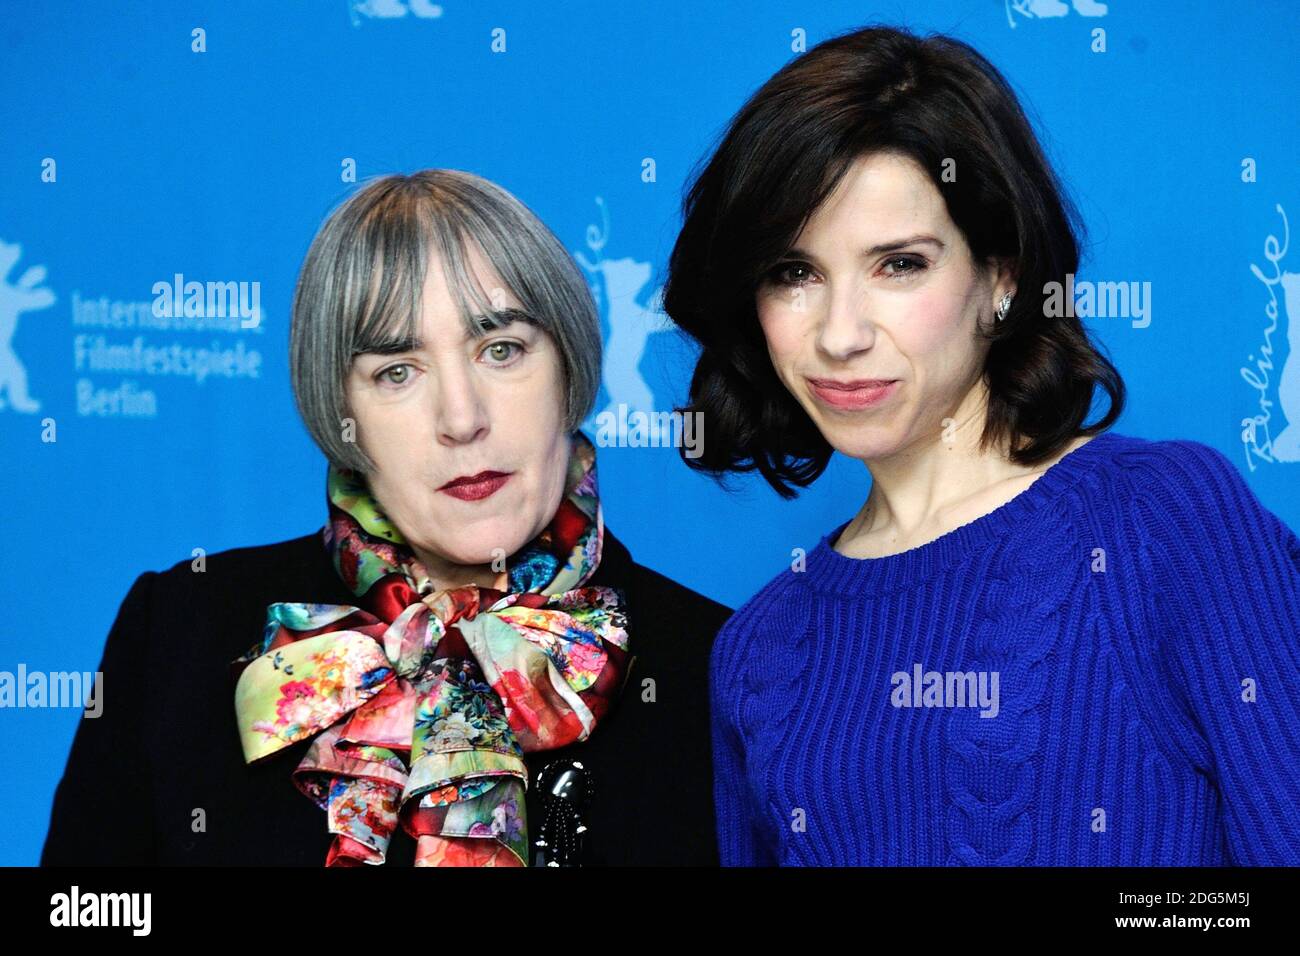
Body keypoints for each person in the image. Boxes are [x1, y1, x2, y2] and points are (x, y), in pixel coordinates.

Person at [661, 25, 1300, 865]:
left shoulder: (1166, 522)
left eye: (899, 265)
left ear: (999, 278)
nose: (841, 334)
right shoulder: (758, 650)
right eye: (794, 273)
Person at [42, 169, 730, 867]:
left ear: (570, 376)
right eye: (396, 371)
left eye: (503, 350)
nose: (462, 419)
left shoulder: (725, 664)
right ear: (341, 414)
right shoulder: (180, 630)